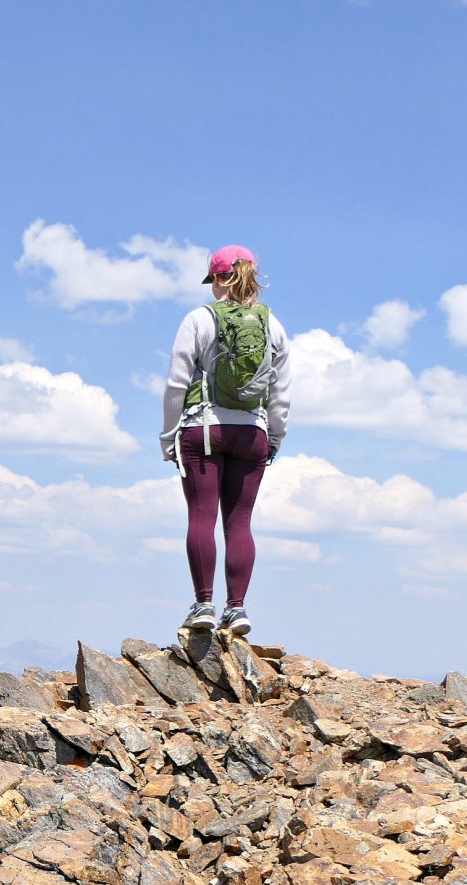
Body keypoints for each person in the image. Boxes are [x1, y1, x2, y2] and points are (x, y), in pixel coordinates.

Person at [160, 244, 291, 639]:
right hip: (252, 432)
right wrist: (275, 437)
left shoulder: (199, 320)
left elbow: (176, 383)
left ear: (218, 277)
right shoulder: (274, 326)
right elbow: (280, 394)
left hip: (203, 429)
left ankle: (203, 604)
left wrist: (169, 436)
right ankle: (237, 609)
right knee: (240, 524)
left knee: (201, 515)